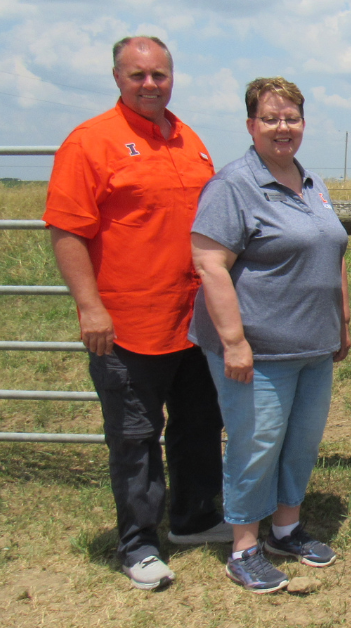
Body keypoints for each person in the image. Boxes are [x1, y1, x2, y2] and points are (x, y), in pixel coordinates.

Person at [43, 36, 230, 590]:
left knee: (200, 425)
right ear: (117, 78)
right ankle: (139, 543)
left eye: (160, 75)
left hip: (193, 320)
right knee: (134, 435)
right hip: (126, 323)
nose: (150, 84)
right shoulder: (90, 142)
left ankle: (196, 518)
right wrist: (89, 306)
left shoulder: (189, 139)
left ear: (173, 77)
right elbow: (66, 229)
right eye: (138, 75)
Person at [189, 77, 350, 593]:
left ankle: (286, 528)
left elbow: (334, 253)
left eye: (292, 118)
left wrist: (341, 322)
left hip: (313, 345)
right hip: (255, 351)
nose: (283, 128)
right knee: (256, 444)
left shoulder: (313, 183)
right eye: (271, 118)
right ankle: (244, 546)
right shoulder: (232, 185)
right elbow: (211, 265)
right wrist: (234, 342)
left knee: (300, 442)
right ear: (250, 125)